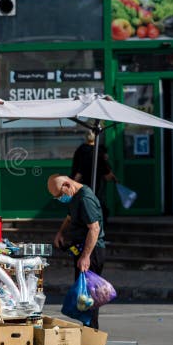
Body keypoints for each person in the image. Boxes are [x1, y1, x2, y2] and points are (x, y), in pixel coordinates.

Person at [48, 173, 105, 329]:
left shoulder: (85, 199)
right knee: (83, 298)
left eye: (60, 195)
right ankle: (86, 330)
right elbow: (69, 217)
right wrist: (61, 232)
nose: (60, 199)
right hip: (81, 250)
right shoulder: (75, 197)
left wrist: (86, 256)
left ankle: (91, 335)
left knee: (89, 297)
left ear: (67, 185)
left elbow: (94, 229)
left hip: (91, 252)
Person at [71, 131, 116, 225]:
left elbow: (78, 170)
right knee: (96, 204)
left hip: (82, 184)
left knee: (83, 205)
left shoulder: (80, 150)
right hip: (96, 184)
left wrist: (73, 183)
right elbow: (107, 175)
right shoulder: (98, 152)